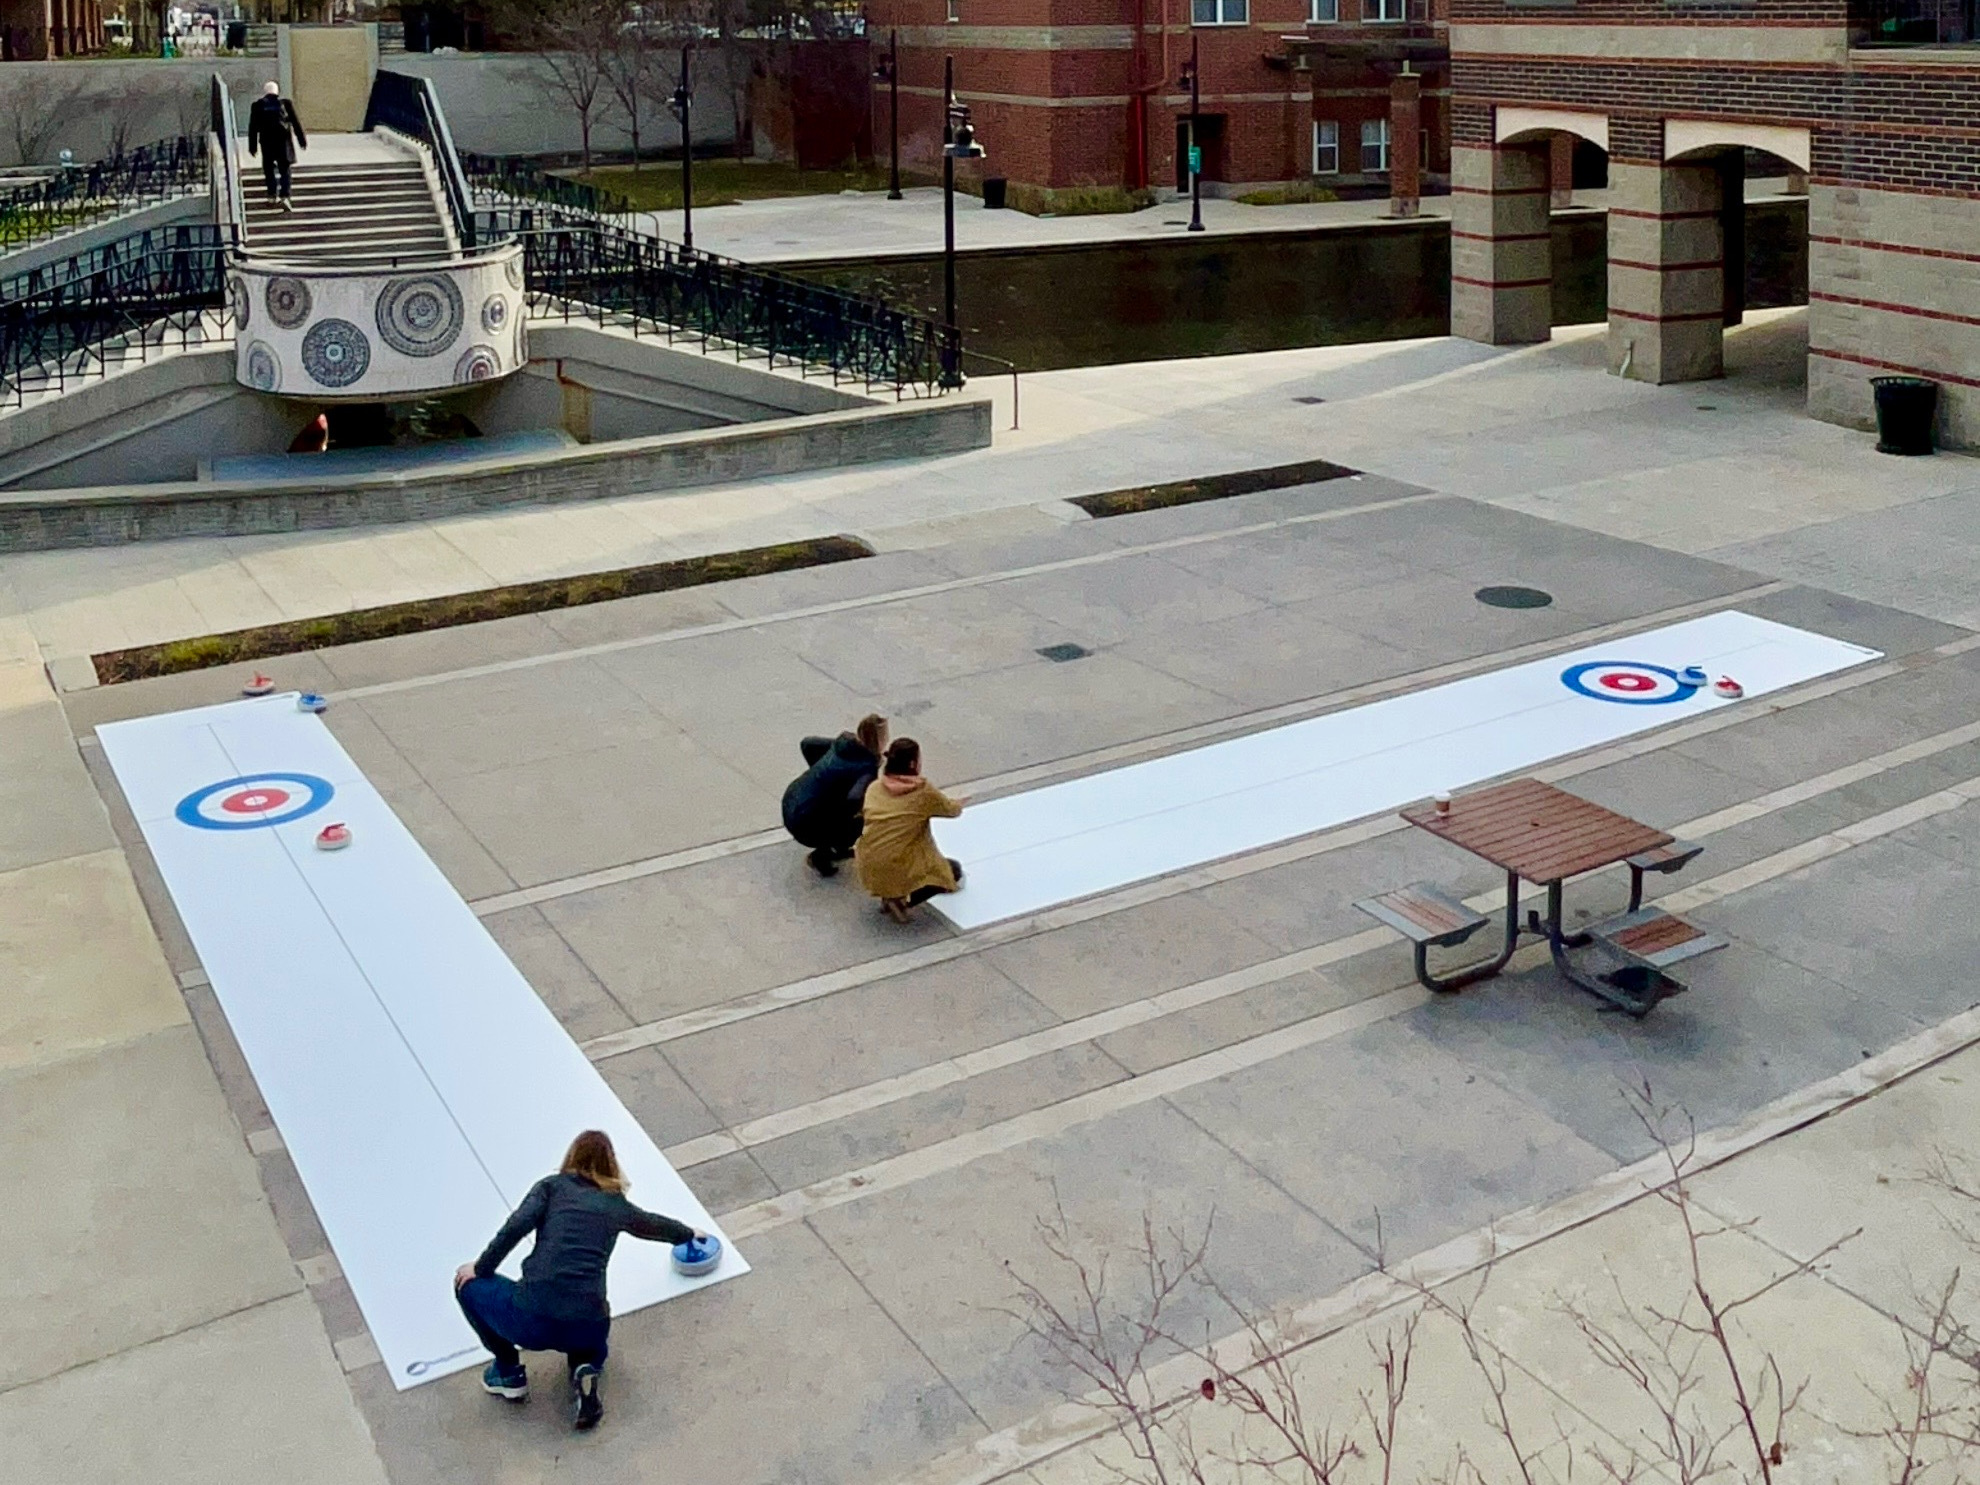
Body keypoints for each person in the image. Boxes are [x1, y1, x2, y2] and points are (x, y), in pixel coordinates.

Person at [454, 1129, 704, 1431]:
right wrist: (688, 1234)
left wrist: (480, 1269)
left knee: (467, 1286)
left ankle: (508, 1372)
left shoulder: (551, 1188)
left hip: (532, 1319)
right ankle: (585, 1366)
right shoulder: (615, 1205)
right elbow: (653, 1225)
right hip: (590, 1325)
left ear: (571, 1156)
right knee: (586, 1336)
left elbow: (514, 1228)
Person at [855, 737, 966, 923]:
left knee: (895, 855)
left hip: (867, 860)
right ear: (913, 763)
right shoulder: (922, 792)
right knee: (952, 872)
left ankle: (889, 895)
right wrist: (960, 802)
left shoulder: (874, 787)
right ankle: (901, 901)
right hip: (898, 863)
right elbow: (951, 810)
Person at [780, 714, 887, 877]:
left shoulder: (842, 743)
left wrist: (824, 781)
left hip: (792, 800)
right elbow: (854, 799)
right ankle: (824, 854)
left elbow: (807, 744)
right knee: (864, 822)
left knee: (837, 813)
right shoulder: (866, 766)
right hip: (804, 824)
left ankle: (836, 843)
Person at [246, 80, 306, 211]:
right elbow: (296, 123)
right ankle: (285, 196)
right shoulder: (285, 104)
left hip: (267, 142)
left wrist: (252, 146)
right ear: (277, 91)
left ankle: (271, 195)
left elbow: (253, 128)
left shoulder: (257, 106)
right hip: (283, 142)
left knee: (269, 170)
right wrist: (302, 140)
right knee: (285, 170)